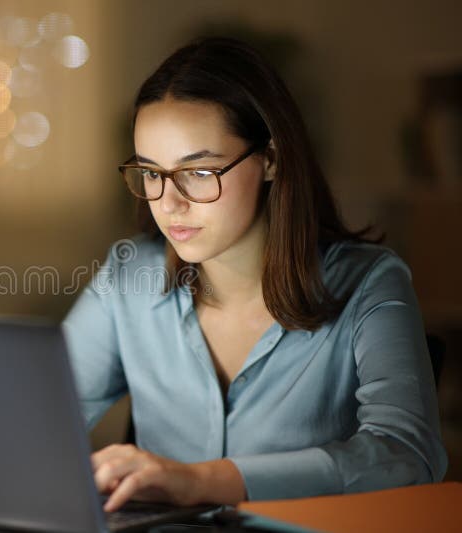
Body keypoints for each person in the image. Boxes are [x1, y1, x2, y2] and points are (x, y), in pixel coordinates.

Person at [61, 37, 447, 513]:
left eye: (199, 172)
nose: (169, 203)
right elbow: (35, 415)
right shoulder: (129, 276)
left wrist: (202, 481)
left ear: (270, 159)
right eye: (152, 173)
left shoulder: (369, 282)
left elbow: (409, 454)